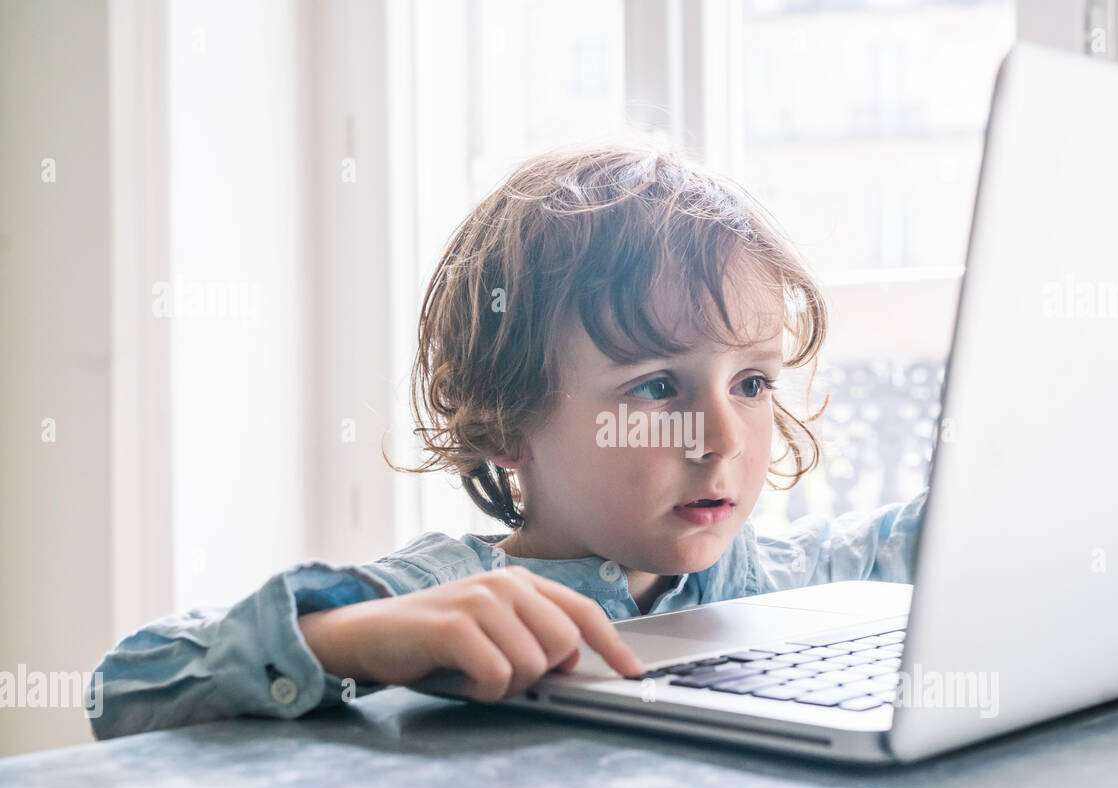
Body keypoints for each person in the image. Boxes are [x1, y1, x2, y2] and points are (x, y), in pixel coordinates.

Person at [86, 141, 928, 741]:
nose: (721, 439)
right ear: (507, 422)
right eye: (657, 386)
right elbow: (125, 689)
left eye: (751, 384)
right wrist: (350, 637)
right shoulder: (449, 597)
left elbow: (946, 535)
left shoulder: (783, 586)